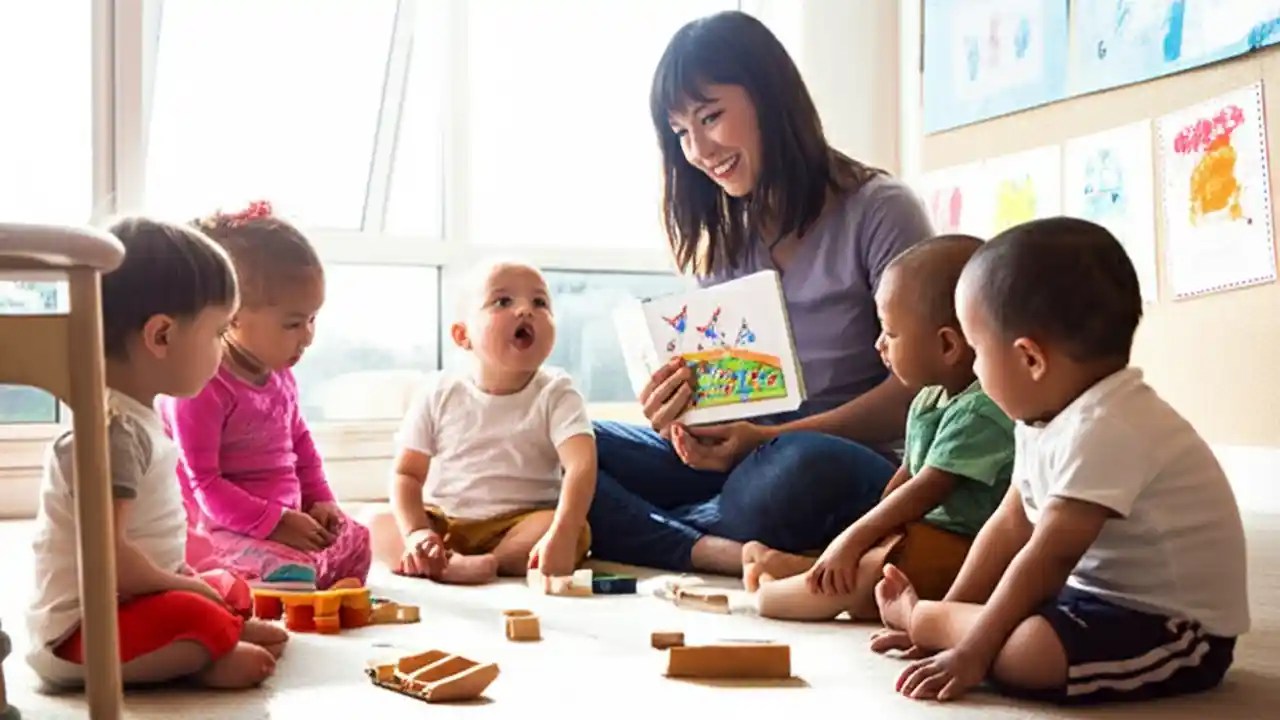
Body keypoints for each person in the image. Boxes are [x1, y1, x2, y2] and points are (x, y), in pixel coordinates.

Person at [588, 10, 935, 573]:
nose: (697, 150)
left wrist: (765, 441)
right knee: (571, 445)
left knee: (787, 475)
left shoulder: (880, 210)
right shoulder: (726, 238)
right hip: (746, 457)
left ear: (770, 98)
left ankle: (661, 527)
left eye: (710, 117)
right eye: (680, 133)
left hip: (839, 459)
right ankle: (713, 547)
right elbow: (728, 400)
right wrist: (681, 416)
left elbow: (924, 391)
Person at [872, 217, 1250, 705]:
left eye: (979, 352)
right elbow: (1009, 525)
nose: (976, 371)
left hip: (1175, 628)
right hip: (1089, 599)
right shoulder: (1040, 418)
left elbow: (1048, 554)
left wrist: (972, 650)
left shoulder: (1109, 426)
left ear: (1030, 359)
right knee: (1018, 626)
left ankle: (927, 618)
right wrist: (956, 610)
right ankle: (938, 619)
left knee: (1030, 652)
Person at [26, 218, 286, 690]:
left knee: (228, 585)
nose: (221, 352)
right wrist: (189, 589)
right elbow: (109, 560)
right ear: (161, 336)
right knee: (200, 609)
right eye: (217, 334)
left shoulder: (137, 420)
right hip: (85, 634)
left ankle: (210, 632)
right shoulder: (111, 433)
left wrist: (193, 578)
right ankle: (208, 653)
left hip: (136, 599)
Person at [751, 235, 1014, 622]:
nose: (879, 345)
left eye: (890, 333)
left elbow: (926, 489)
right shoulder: (928, 399)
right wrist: (861, 535)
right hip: (925, 532)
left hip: (965, 545)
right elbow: (905, 477)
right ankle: (799, 568)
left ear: (947, 346)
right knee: (868, 557)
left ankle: (774, 587)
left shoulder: (982, 410)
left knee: (860, 584)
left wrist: (856, 540)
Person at [156, 201, 371, 590]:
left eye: (312, 320)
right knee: (290, 575)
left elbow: (301, 446)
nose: (308, 336)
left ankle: (303, 569)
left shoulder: (281, 376)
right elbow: (205, 484)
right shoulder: (199, 387)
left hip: (286, 519)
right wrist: (276, 523)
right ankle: (251, 578)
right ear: (232, 315)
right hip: (221, 529)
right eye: (293, 323)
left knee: (358, 541)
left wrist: (321, 502)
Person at [364, 259, 595, 585]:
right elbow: (407, 474)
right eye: (503, 301)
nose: (525, 310)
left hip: (517, 523)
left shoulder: (557, 391)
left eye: (540, 302)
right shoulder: (438, 391)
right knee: (373, 522)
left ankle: (490, 563)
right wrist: (416, 532)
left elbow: (581, 465)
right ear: (462, 335)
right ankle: (431, 557)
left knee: (572, 530)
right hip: (442, 521)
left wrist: (564, 531)